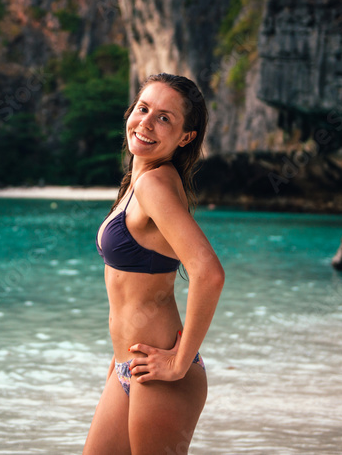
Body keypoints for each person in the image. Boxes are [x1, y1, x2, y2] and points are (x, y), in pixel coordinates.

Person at [84, 73, 225, 455]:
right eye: (143, 108)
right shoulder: (140, 179)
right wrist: (118, 360)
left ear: (185, 137)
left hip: (160, 371)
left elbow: (208, 274)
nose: (146, 122)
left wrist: (179, 364)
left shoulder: (154, 185)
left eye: (164, 118)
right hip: (130, 367)